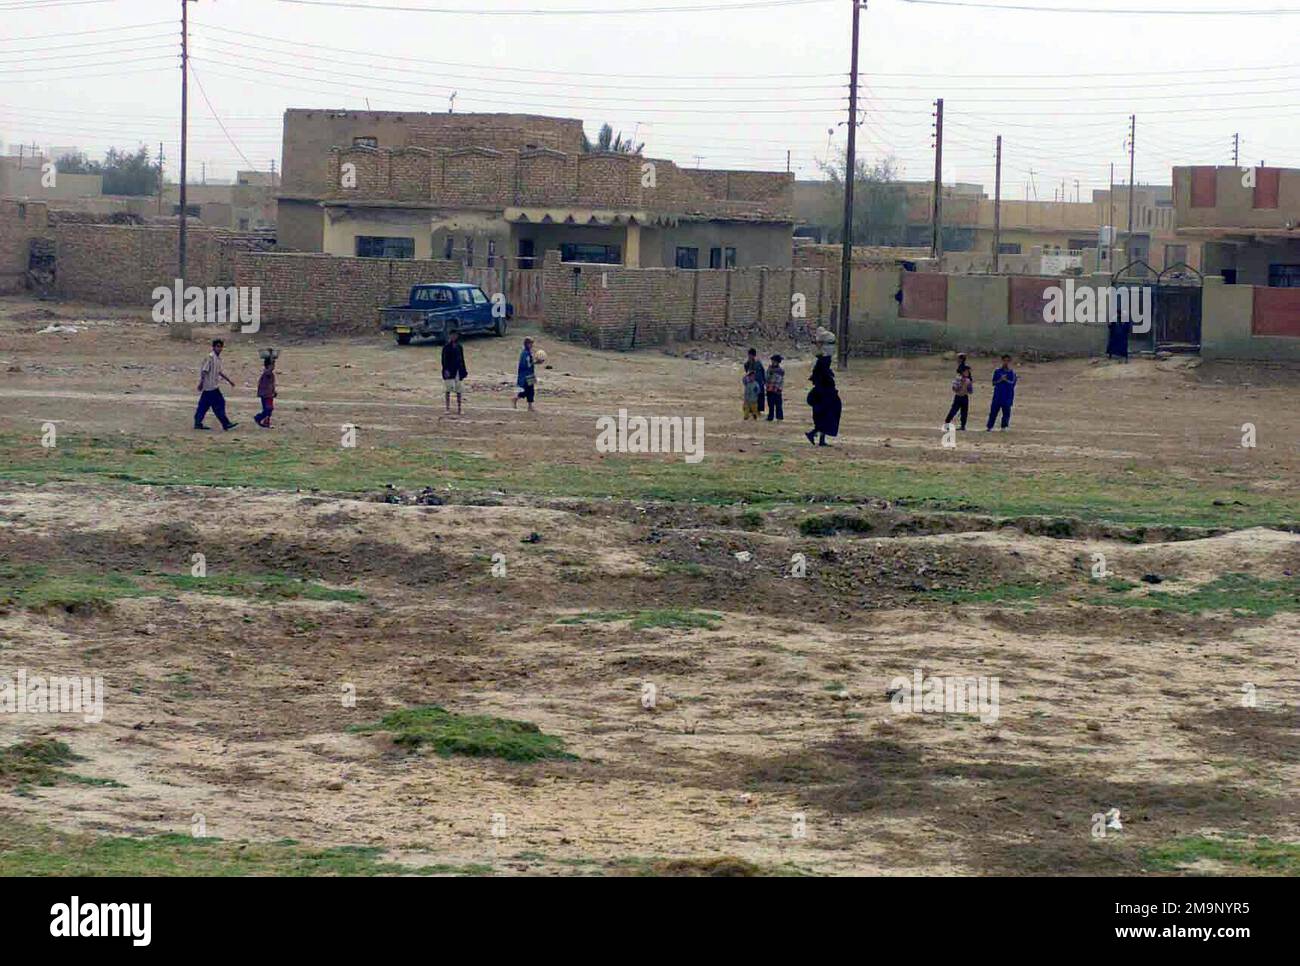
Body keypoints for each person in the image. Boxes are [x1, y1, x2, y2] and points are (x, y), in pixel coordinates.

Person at [194, 338, 238, 431]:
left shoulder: (217, 359)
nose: (220, 348)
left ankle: (198, 422)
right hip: (210, 386)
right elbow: (204, 371)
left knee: (203, 405)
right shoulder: (210, 357)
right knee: (219, 403)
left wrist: (229, 381)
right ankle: (225, 423)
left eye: (221, 346)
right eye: (218, 346)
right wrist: (201, 383)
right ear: (213, 347)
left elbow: (219, 372)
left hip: (211, 386)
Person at [805, 354, 842, 447]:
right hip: (824, 401)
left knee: (825, 420)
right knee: (825, 419)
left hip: (826, 400)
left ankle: (818, 438)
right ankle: (814, 435)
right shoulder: (822, 374)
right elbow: (823, 388)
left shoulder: (823, 373)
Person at [986, 354, 1017, 432]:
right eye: (1004, 360)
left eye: (1007, 361)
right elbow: (993, 382)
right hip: (998, 395)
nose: (1006, 362)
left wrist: (1006, 380)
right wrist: (1000, 379)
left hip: (1007, 395)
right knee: (993, 411)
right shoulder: (997, 371)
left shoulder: (1011, 372)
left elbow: (1012, 383)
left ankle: (1004, 426)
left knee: (1006, 412)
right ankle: (990, 426)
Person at [442, 330, 468, 414]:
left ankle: (459, 408)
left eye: (455, 335)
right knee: (448, 389)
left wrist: (463, 370)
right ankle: (447, 408)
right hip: (449, 371)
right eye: (452, 335)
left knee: (459, 390)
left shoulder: (459, 347)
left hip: (458, 371)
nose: (454, 337)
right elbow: (444, 360)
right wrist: (446, 370)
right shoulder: (446, 347)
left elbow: (462, 359)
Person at [944, 364, 973, 431]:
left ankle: (963, 425)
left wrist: (968, 386)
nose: (967, 373)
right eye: (966, 371)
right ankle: (946, 424)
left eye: (968, 372)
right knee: (953, 411)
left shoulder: (968, 380)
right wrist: (961, 384)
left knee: (964, 412)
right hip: (958, 397)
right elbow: (954, 389)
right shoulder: (958, 379)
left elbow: (970, 391)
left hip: (965, 397)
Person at [513, 337, 536, 411]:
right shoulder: (525, 353)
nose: (531, 345)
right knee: (526, 390)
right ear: (527, 344)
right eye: (530, 343)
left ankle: (530, 406)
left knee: (531, 391)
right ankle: (516, 399)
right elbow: (525, 365)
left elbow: (531, 363)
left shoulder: (529, 353)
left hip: (530, 374)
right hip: (526, 375)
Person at [254, 355, 276, 429]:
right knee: (268, 408)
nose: (274, 366)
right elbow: (268, 385)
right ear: (268, 366)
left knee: (268, 409)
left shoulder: (269, 374)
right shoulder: (268, 374)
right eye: (272, 365)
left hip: (268, 394)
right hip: (266, 395)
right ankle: (259, 417)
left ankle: (266, 421)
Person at [744, 348, 766, 414]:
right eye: (749, 355)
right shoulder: (748, 363)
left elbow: (763, 372)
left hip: (759, 382)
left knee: (759, 396)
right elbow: (746, 370)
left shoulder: (758, 363)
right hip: (751, 383)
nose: (749, 356)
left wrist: (764, 381)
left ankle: (758, 410)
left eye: (751, 355)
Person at [765, 354, 785, 422]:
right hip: (770, 390)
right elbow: (766, 378)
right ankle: (770, 416)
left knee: (778, 405)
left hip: (776, 390)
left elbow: (779, 381)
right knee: (770, 404)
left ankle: (779, 417)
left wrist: (776, 388)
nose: (772, 362)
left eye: (774, 361)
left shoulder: (780, 371)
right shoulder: (769, 369)